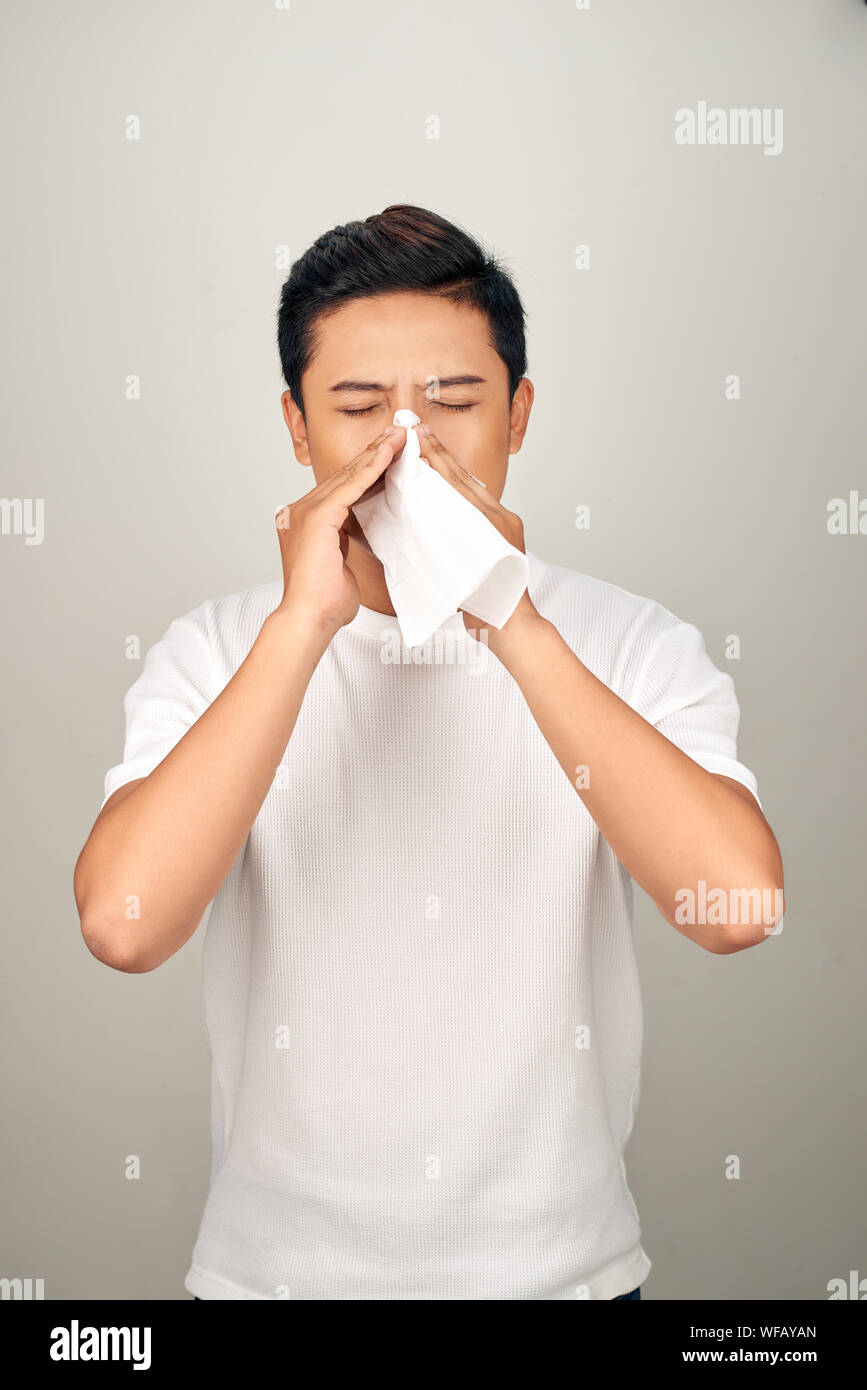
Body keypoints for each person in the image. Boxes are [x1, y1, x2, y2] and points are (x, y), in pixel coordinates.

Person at [73, 204, 784, 1301]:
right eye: (358, 408)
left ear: (521, 414)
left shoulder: (632, 642)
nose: (409, 443)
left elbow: (736, 908)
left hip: (568, 1282)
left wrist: (511, 620)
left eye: (455, 401)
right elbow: (124, 926)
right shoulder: (216, 650)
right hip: (276, 1283)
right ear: (298, 430)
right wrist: (303, 625)